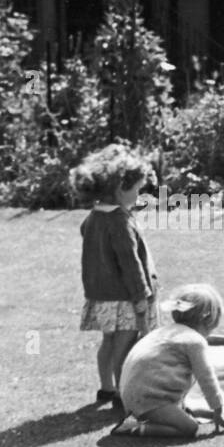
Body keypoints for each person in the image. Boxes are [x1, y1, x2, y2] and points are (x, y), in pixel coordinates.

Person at [73, 144, 160, 409]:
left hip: (101, 296)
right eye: (137, 190)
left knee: (108, 342)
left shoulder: (94, 217)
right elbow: (130, 264)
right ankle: (123, 393)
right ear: (121, 187)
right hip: (125, 297)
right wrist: (142, 296)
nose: (139, 195)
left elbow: (89, 240)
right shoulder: (121, 221)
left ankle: (106, 388)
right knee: (126, 345)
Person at [117, 284, 224, 437]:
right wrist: (218, 409)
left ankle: (142, 418)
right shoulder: (194, 341)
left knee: (185, 415)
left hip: (132, 396)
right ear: (209, 317)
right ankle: (134, 427)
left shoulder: (165, 332)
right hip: (150, 401)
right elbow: (206, 378)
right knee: (189, 428)